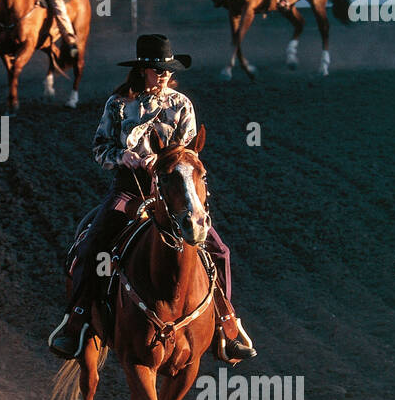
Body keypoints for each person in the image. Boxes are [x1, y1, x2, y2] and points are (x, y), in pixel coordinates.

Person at [47, 34, 256, 362]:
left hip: (172, 191)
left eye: (167, 70)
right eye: (157, 69)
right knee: (91, 247)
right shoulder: (117, 104)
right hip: (128, 189)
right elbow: (100, 148)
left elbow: (187, 153)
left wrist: (164, 165)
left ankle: (227, 325)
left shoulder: (182, 105)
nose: (164, 75)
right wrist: (124, 157)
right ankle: (76, 322)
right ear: (143, 69)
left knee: (219, 250)